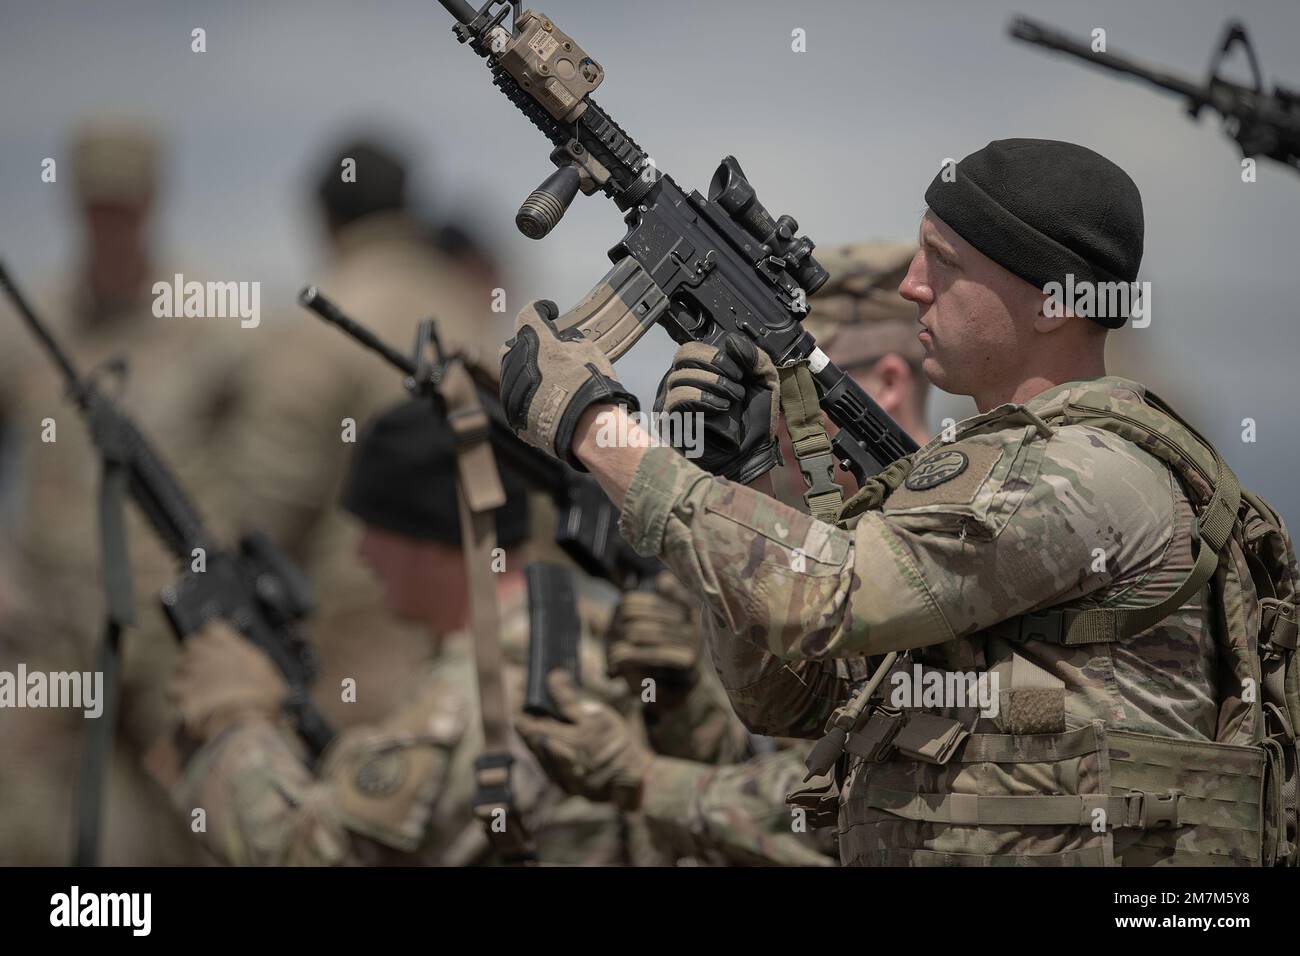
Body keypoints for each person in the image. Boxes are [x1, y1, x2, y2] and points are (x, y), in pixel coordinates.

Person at [498, 138, 1297, 866]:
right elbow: (786, 702)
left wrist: (595, 429)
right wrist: (739, 471)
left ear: (1055, 302)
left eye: (943, 262)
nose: (914, 286)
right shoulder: (987, 464)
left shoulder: (1090, 473)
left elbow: (827, 596)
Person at [161, 395, 741, 865]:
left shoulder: (467, 707)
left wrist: (235, 722)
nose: (362, 554)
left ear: (430, 537)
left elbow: (300, 851)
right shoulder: (598, 630)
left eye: (375, 528)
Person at [517, 242, 930, 867]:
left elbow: (830, 804)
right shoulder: (778, 536)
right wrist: (677, 695)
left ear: (889, 383)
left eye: (794, 380)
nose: (776, 404)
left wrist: (642, 778)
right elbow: (777, 733)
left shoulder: (945, 535)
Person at [0, 121, 253, 865]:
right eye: (96, 207)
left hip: (169, 632)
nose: (110, 224)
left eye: (125, 206)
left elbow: (258, 469)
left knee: (200, 825)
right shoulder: (29, 325)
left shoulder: (208, 321)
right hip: (48, 625)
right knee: (27, 824)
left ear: (151, 204)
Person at [224, 136, 506, 731]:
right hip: (479, 609)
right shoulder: (470, 309)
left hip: (359, 624)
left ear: (325, 218)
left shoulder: (324, 316)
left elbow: (273, 493)